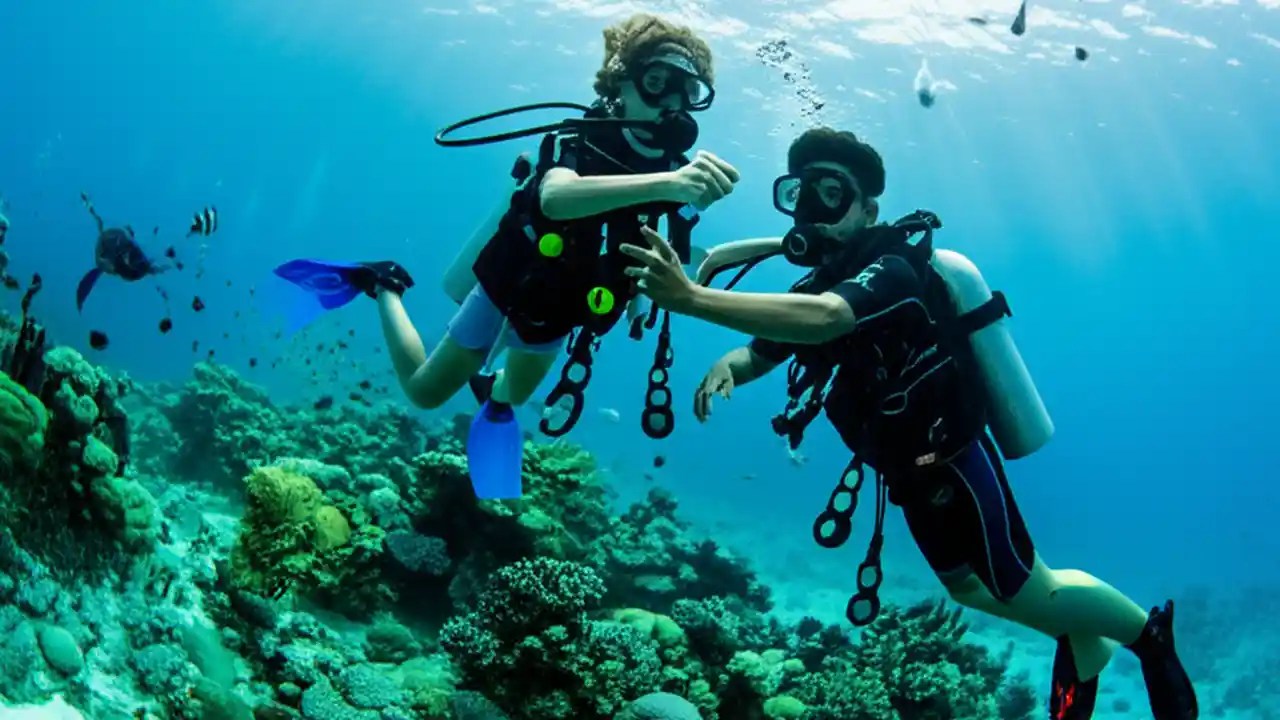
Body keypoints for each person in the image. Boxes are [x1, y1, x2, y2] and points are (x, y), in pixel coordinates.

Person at [619, 127, 1198, 720]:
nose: (811, 210)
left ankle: (1146, 635)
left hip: (955, 461)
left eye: (830, 193)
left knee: (1026, 586)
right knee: (967, 589)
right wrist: (728, 367)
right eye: (799, 193)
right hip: (904, 474)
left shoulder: (893, 268)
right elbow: (766, 350)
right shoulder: (816, 281)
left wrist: (691, 299)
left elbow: (826, 319)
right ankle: (1081, 634)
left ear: (868, 209)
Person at [274, 13, 740, 499]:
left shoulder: (677, 173)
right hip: (511, 283)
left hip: (566, 309)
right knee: (425, 392)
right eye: (657, 83)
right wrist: (669, 183)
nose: (670, 104)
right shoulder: (575, 138)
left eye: (686, 92)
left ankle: (491, 397)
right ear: (620, 83)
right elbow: (554, 197)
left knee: (512, 395)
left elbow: (678, 249)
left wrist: (769, 249)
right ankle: (381, 283)